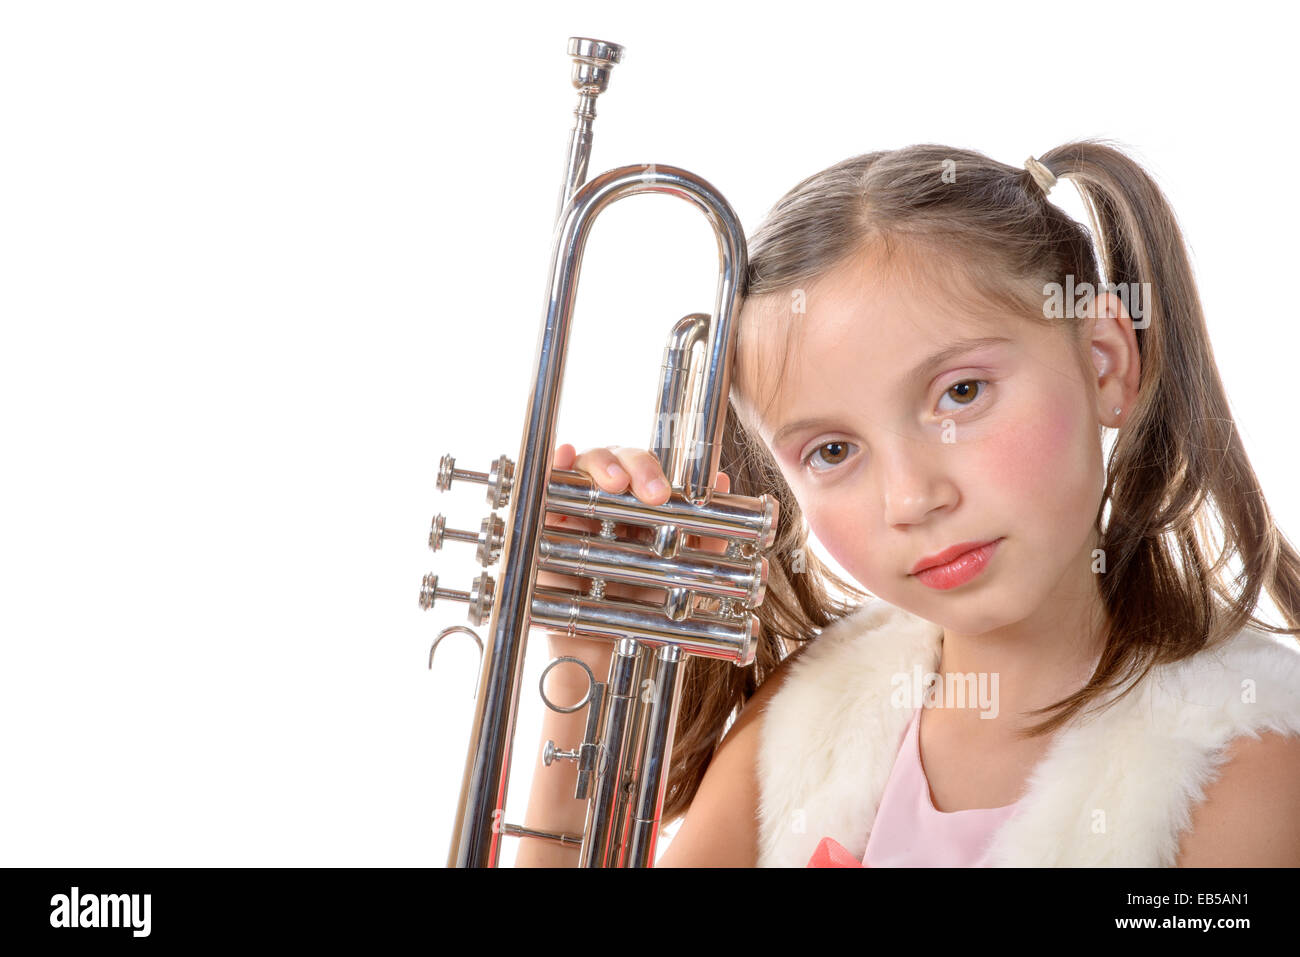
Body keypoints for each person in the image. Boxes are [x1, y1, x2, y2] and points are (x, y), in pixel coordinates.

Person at [517, 141, 1300, 867]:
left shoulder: (1246, 757)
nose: (912, 498)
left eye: (961, 393)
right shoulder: (806, 720)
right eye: (831, 451)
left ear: (1104, 364)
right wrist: (586, 676)